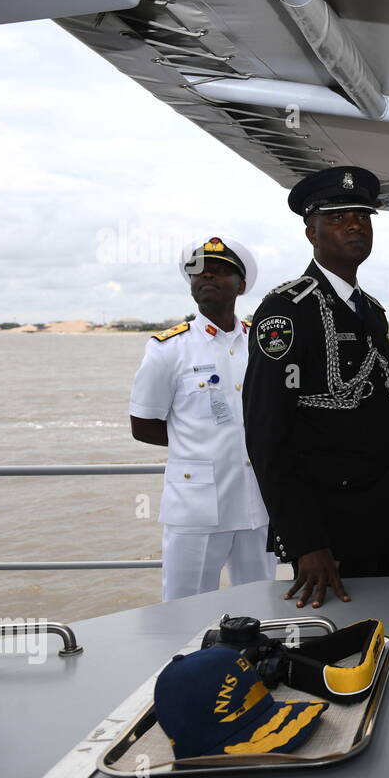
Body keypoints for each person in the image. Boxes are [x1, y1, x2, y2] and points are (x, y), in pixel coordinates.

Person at [243, 166, 389, 609]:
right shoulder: (287, 311)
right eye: (338, 217)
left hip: (378, 520)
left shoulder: (370, 311)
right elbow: (266, 434)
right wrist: (303, 542)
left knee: (383, 638)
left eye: (363, 216)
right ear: (310, 232)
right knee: (333, 651)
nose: (355, 225)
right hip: (326, 533)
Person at [129, 237, 276, 601]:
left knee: (262, 608)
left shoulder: (264, 342)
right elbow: (143, 425)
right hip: (196, 508)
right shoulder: (168, 348)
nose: (207, 275)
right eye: (198, 271)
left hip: (257, 501)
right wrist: (197, 440)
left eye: (221, 270)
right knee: (184, 609)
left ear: (241, 285)